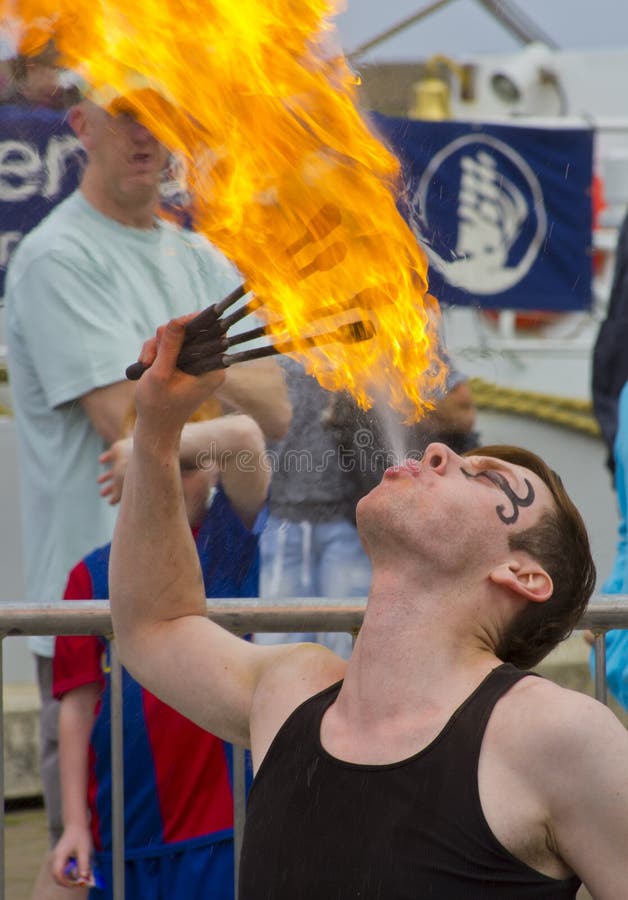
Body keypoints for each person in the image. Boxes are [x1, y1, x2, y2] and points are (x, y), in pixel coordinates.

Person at [109, 315, 628, 899]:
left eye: (484, 476)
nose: (438, 450)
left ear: (522, 575)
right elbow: (154, 625)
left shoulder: (557, 735)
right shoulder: (292, 693)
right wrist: (159, 419)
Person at [4, 96, 289, 898]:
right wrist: (215, 411)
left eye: (163, 110)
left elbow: (279, 407)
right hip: (94, 608)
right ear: (79, 125)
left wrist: (183, 406)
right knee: (82, 858)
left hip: (210, 596)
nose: (147, 131)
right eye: (124, 111)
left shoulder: (201, 256)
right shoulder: (55, 256)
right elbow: (120, 421)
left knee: (223, 845)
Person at [51, 397, 269, 898]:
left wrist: (154, 444)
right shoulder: (89, 575)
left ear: (211, 471)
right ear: (117, 475)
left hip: (224, 832)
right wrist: (75, 825)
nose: (170, 477)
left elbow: (244, 439)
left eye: (186, 465)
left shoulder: (230, 545)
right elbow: (76, 709)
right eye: (153, 466)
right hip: (122, 833)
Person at [256, 354, 477, 658]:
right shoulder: (282, 335)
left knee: (352, 646)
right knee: (276, 645)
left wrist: (381, 381)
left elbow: (461, 413)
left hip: (354, 522)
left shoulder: (394, 328)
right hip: (280, 518)